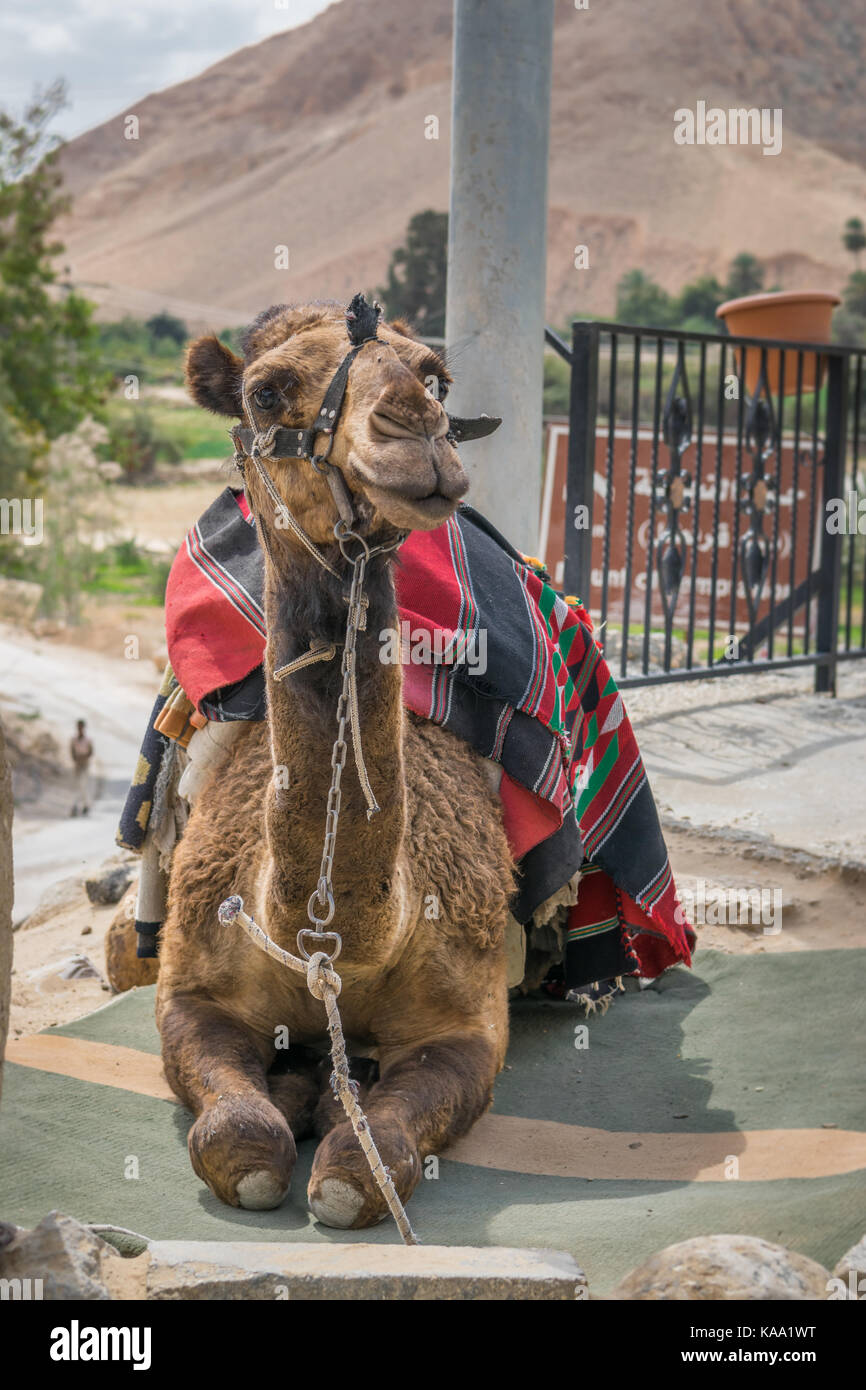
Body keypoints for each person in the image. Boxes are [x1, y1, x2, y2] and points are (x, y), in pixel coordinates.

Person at [70, 719, 94, 817]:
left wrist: (83, 757)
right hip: (77, 764)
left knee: (83, 785)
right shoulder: (74, 739)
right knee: (77, 785)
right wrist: (76, 758)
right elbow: (71, 751)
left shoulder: (87, 740)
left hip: (85, 764)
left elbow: (91, 752)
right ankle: (79, 805)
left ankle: (84, 805)